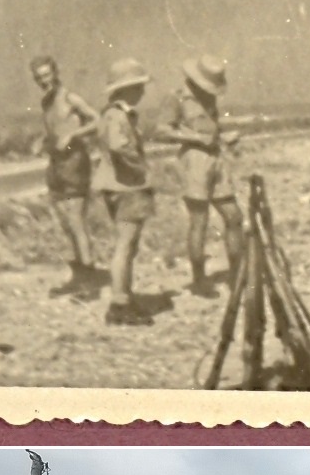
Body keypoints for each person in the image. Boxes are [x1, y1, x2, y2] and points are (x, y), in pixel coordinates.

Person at [157, 55, 244, 297]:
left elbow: (211, 129)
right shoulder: (176, 97)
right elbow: (161, 130)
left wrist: (224, 137)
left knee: (234, 216)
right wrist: (195, 138)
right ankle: (199, 281)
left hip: (216, 158)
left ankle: (237, 274)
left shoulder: (209, 98)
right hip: (194, 161)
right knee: (200, 221)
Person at [29, 55, 102, 300]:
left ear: (56, 73)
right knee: (65, 222)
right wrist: (42, 140)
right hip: (56, 163)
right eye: (39, 78)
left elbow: (97, 120)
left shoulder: (70, 97)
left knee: (76, 221)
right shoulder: (46, 103)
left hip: (75, 162)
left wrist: (74, 135)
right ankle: (80, 277)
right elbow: (54, 129)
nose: (43, 81)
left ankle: (90, 285)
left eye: (47, 75)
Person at [93, 58, 155, 327]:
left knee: (127, 244)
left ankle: (124, 298)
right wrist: (140, 168)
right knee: (126, 245)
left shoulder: (112, 114)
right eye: (138, 86)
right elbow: (119, 147)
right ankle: (120, 302)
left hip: (116, 185)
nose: (142, 91)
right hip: (126, 186)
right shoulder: (117, 115)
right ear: (126, 89)